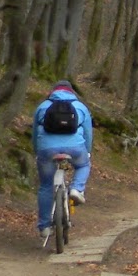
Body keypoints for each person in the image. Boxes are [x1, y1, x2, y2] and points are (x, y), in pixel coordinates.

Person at [33, 81, 93, 243]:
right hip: (75, 148)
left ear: (53, 92)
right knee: (83, 165)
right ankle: (76, 189)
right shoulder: (80, 107)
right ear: (72, 92)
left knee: (46, 185)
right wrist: (87, 151)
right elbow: (87, 133)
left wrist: (38, 151)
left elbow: (34, 134)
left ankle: (45, 226)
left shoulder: (43, 106)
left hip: (47, 150)